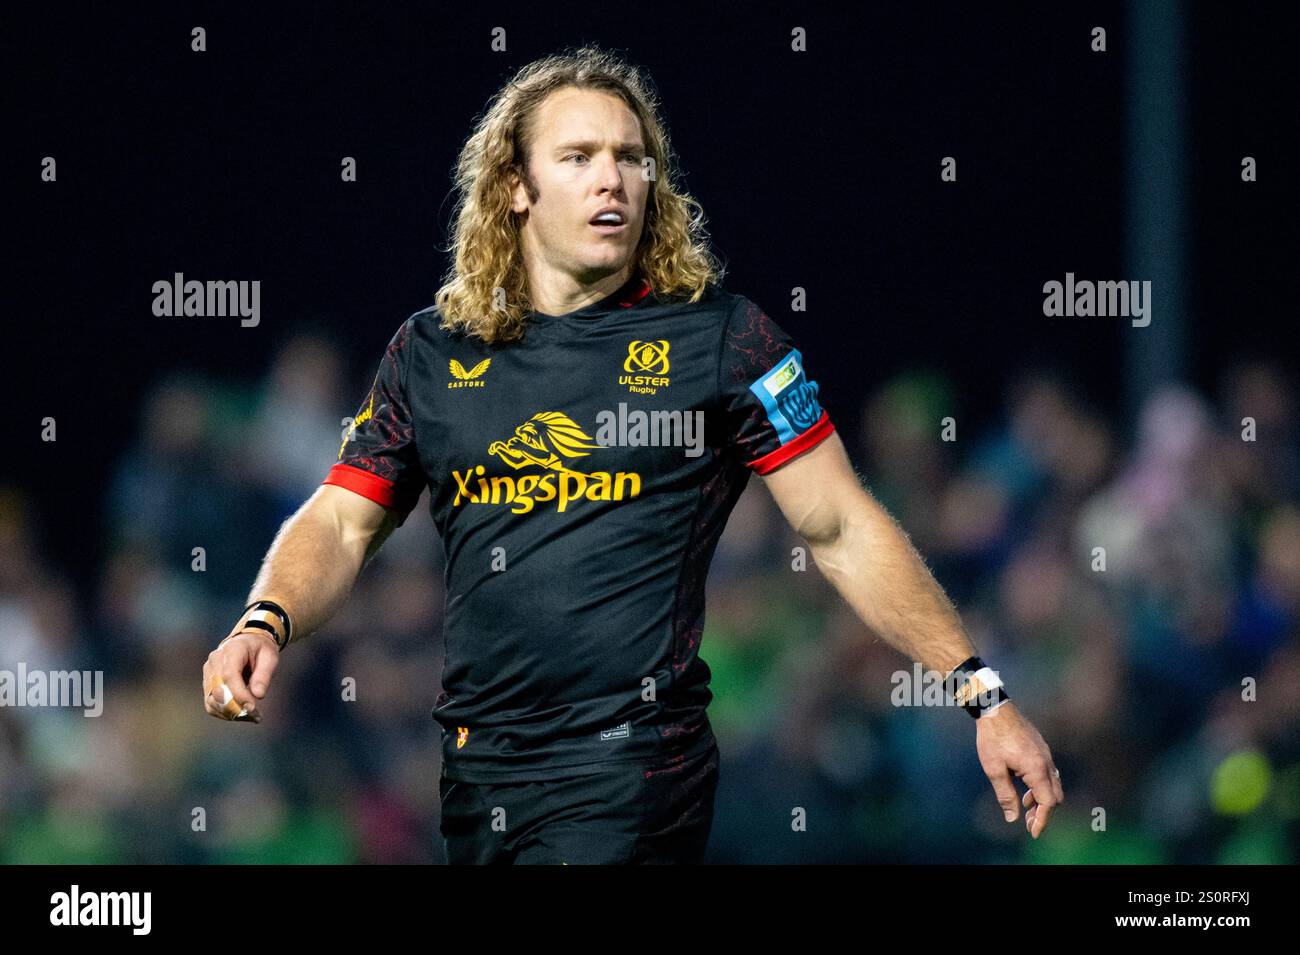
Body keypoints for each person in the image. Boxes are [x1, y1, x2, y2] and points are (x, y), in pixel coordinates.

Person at [202, 45, 1063, 864]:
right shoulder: (430, 353)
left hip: (636, 767)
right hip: (478, 771)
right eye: (577, 155)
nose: (611, 176)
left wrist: (981, 692)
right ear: (515, 188)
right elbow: (342, 523)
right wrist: (264, 617)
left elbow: (839, 525)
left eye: (630, 156)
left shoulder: (724, 340)